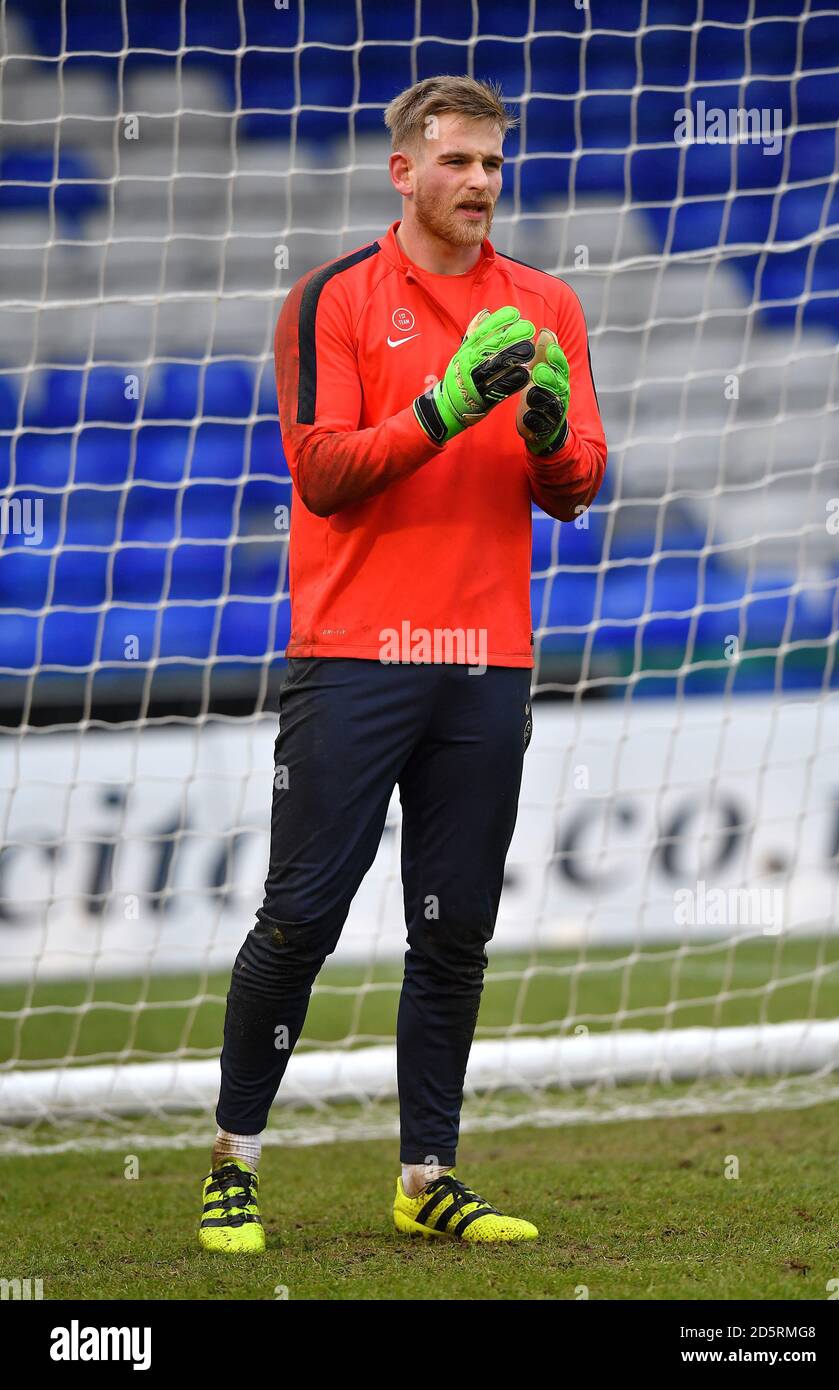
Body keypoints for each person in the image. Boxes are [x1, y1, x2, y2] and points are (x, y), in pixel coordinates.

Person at [198, 74, 606, 1254]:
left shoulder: (544, 305)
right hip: (353, 654)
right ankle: (235, 1162)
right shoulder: (330, 300)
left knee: (454, 931)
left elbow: (576, 484)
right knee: (299, 918)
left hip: (484, 660)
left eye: (492, 162)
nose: (480, 181)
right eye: (458, 161)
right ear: (404, 171)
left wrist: (539, 435)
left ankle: (425, 1173)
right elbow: (320, 470)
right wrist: (443, 406)